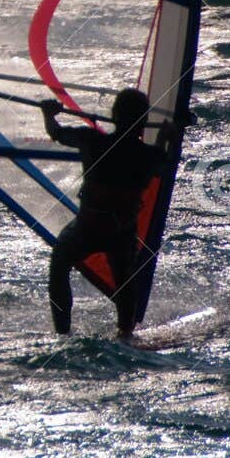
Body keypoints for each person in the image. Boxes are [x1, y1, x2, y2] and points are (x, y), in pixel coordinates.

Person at [39, 88, 178, 338]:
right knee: (125, 282)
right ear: (144, 122)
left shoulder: (91, 140)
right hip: (120, 234)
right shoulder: (149, 155)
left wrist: (49, 114)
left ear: (113, 116)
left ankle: (62, 332)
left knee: (60, 262)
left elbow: (56, 133)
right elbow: (160, 163)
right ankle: (126, 332)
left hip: (87, 230)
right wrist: (164, 137)